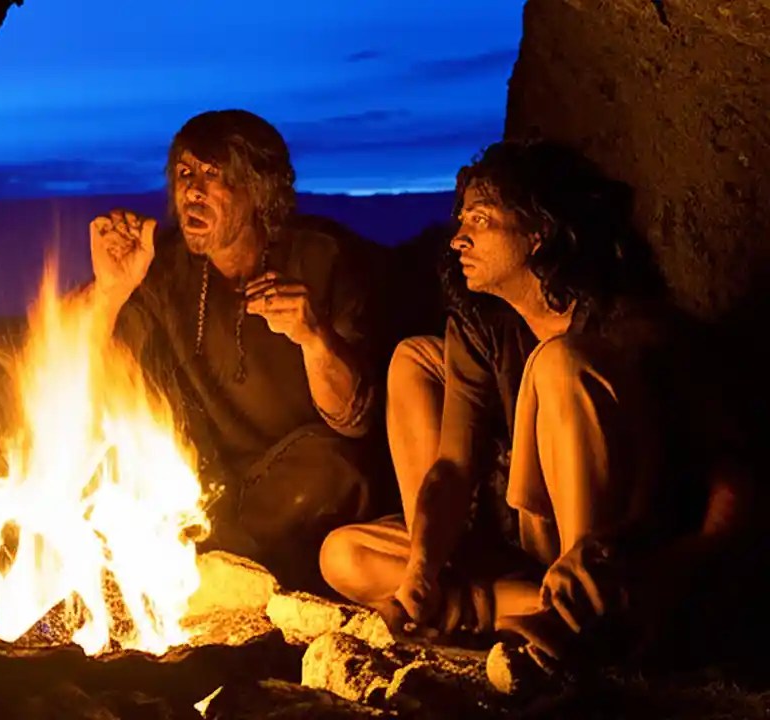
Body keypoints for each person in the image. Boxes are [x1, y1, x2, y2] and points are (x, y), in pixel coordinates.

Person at [318, 140, 756, 664]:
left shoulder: (631, 328)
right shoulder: (486, 328)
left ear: (539, 231)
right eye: (461, 219)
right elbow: (452, 467)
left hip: (617, 544)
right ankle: (539, 610)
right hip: (530, 548)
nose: (458, 238)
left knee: (557, 363)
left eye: (480, 219)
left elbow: (730, 470)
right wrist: (421, 572)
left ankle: (584, 606)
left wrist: (687, 563)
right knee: (344, 555)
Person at [79, 109, 390, 588]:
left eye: (213, 174)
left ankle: (228, 565)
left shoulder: (323, 258)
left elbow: (355, 421)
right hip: (205, 483)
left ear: (259, 190)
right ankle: (214, 559)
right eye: (185, 173)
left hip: (300, 480)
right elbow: (84, 372)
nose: (192, 190)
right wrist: (109, 291)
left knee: (329, 470)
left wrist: (314, 337)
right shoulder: (166, 269)